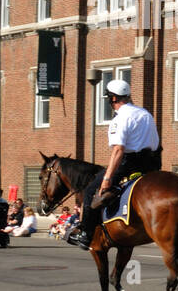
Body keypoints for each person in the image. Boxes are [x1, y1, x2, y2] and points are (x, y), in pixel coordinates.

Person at [68, 78, 162, 249]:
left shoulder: (120, 119)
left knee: (90, 191)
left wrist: (107, 178)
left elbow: (119, 150)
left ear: (112, 98)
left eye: (109, 98)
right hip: (153, 163)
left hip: (130, 162)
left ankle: (86, 234)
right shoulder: (145, 114)